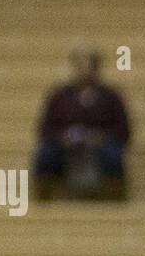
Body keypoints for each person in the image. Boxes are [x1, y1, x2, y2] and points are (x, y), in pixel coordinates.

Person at [33, 44, 131, 201]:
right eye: (80, 66)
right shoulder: (59, 96)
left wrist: (101, 137)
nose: (84, 71)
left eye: (89, 66)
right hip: (65, 146)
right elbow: (46, 129)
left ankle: (117, 203)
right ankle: (42, 202)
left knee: (114, 157)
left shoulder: (111, 96)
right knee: (45, 156)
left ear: (96, 68)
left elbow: (123, 130)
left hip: (101, 145)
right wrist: (62, 138)